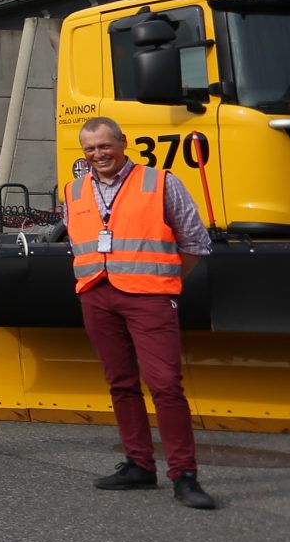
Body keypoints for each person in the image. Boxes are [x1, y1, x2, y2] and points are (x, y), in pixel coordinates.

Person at [69, 117, 219, 509]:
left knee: (165, 385)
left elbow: (196, 242)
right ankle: (138, 464)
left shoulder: (160, 182)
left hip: (150, 299)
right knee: (120, 383)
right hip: (96, 294)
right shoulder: (74, 189)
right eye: (90, 149)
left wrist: (164, 280)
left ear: (123, 142)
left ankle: (184, 475)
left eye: (105, 146)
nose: (98, 154)